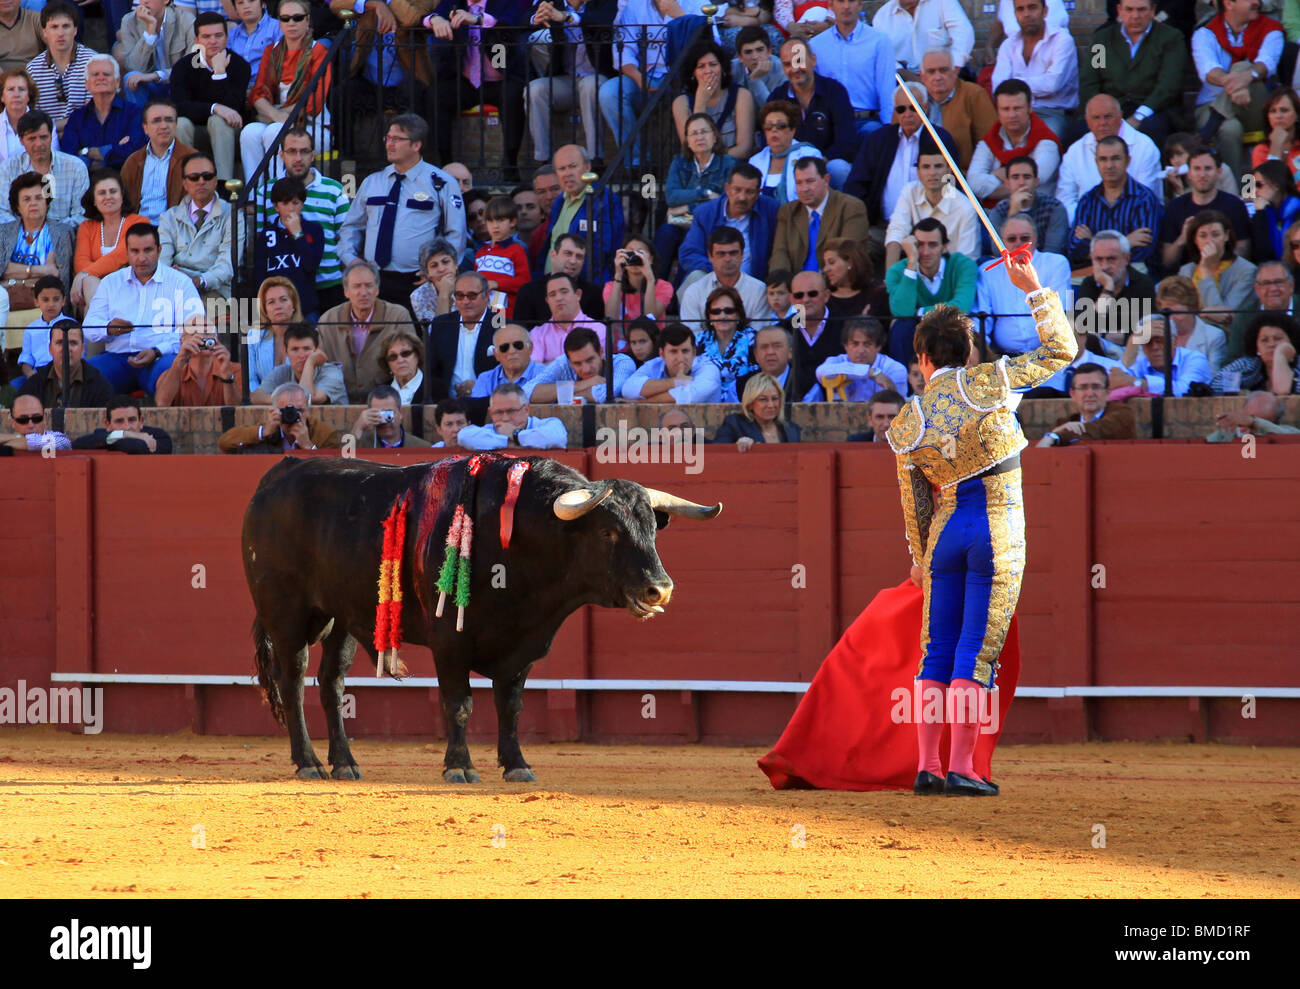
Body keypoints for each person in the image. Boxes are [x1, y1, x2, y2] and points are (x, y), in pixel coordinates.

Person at [886, 253, 1073, 796]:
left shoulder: (908, 422)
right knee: (974, 650)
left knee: (936, 649)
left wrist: (921, 562)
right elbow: (1063, 350)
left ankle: (927, 767)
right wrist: (1033, 287)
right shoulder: (988, 384)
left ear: (922, 359)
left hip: (944, 538)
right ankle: (964, 768)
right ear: (968, 351)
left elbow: (914, 506)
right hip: (995, 532)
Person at [339, 114, 466, 309]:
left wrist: (438, 272)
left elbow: (456, 232)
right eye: (388, 138)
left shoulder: (441, 182)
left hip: (419, 281)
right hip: (376, 280)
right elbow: (351, 227)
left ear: (416, 145)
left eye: (397, 139)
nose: (389, 144)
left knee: (419, 337)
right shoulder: (372, 182)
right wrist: (352, 261)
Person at [597, 0, 711, 167]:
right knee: (610, 93)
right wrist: (638, 78)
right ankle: (637, 162)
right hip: (647, 77)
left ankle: (693, 164)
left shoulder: (698, 3)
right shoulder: (634, 6)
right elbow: (623, 51)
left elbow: (713, 45)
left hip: (688, 78)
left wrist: (679, 16)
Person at [424, 0, 527, 182]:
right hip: (466, 80)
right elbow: (425, 18)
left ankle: (510, 164)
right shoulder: (453, 2)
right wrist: (434, 20)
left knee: (513, 95)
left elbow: (512, 22)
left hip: (501, 77)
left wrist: (478, 19)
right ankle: (445, 165)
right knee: (437, 95)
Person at [253, 127, 349, 313]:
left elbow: (346, 240)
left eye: (304, 151)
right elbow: (260, 241)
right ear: (282, 155)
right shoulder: (265, 192)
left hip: (330, 285)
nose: (298, 158)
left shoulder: (335, 190)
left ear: (313, 155)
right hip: (285, 288)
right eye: (292, 151)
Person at [844, 82, 960, 229]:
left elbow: (951, 185)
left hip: (929, 231)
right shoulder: (877, 140)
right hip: (882, 227)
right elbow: (856, 185)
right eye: (901, 109)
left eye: (913, 108)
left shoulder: (941, 140)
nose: (907, 114)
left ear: (925, 108)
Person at [1078, 0, 1189, 149]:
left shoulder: (1170, 38)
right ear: (1119, 10)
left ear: (1152, 10)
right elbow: (1091, 79)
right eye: (1129, 10)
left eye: (1142, 10)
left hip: (1152, 108)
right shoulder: (1102, 40)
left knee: (1152, 129)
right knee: (1076, 131)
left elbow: (1168, 85)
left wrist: (1139, 116)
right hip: (1112, 106)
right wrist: (1102, 113)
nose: (1135, 16)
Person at [239, 0, 330, 181]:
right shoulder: (271, 51)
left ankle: (281, 193)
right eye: (285, 18)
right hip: (276, 118)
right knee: (249, 133)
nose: (291, 23)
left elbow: (314, 101)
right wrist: (276, 115)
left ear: (307, 21)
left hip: (313, 126)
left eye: (297, 18)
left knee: (276, 131)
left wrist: (281, 116)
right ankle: (254, 198)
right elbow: (257, 94)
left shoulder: (318, 51)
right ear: (279, 22)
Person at [1192, 0, 1283, 177]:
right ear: (1228, 3)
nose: (1257, 2)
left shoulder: (1272, 30)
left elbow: (1267, 63)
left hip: (1254, 106)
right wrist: (1235, 84)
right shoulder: (1206, 33)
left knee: (1242, 68)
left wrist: (1245, 77)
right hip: (1209, 105)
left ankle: (1212, 124)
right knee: (1230, 130)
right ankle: (1239, 193)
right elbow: (1208, 71)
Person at [526, 0, 615, 169]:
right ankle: (544, 160)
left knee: (590, 85)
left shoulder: (603, 4)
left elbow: (605, 19)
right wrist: (537, 17)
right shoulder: (554, 3)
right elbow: (522, 19)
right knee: (534, 89)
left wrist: (568, 17)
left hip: (597, 76)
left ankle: (595, 159)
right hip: (565, 78)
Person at [765, 38, 858, 189]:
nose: (795, 69)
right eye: (788, 64)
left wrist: (817, 163)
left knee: (839, 168)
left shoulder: (834, 91)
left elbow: (847, 142)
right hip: (790, 167)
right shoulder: (777, 97)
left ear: (813, 60)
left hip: (826, 164)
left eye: (799, 60)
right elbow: (767, 140)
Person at [168, 12, 250, 182]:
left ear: (227, 37)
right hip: (195, 131)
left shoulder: (240, 66)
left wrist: (220, 74)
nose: (213, 41)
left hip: (229, 133)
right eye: (206, 36)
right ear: (196, 40)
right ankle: (187, 182)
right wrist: (214, 108)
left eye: (218, 35)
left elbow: (233, 108)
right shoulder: (183, 67)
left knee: (218, 121)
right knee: (181, 123)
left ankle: (224, 185)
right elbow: (180, 106)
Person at [1056, 95, 1163, 224]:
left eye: (1108, 117)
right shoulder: (1075, 152)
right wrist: (1092, 224)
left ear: (1120, 116)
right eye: (1096, 118)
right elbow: (1065, 202)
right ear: (1087, 121)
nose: (1102, 123)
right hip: (1085, 228)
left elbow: (1147, 201)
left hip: (1134, 226)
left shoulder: (1145, 147)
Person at [884, 217, 977, 366]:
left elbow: (961, 306)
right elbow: (901, 312)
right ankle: (905, 387)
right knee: (901, 327)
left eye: (932, 245)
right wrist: (912, 263)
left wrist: (918, 312)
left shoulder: (962, 265)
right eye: (919, 245)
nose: (925, 252)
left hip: (954, 330)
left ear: (944, 247)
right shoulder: (897, 271)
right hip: (916, 333)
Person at [979, 214, 1071, 356]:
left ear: (1035, 238)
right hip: (1002, 356)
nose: (1018, 243)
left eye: (1025, 238)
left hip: (1050, 354)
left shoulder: (1056, 263)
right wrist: (983, 352)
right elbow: (982, 319)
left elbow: (1061, 311)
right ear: (1002, 242)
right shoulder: (987, 271)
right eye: (1011, 239)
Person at [657, 112, 737, 272]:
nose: (699, 137)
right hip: (681, 221)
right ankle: (656, 284)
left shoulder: (728, 164)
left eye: (704, 132)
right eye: (694, 133)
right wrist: (704, 193)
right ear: (687, 141)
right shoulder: (679, 163)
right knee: (665, 232)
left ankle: (681, 288)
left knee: (692, 239)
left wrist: (687, 208)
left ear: (714, 136)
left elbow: (724, 202)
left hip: (711, 223)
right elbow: (672, 197)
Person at [1067, 135, 1163, 267]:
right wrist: (1126, 242)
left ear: (1128, 161)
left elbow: (1143, 251)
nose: (1109, 165)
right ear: (1096, 162)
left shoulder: (1144, 199)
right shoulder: (1087, 201)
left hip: (1133, 274)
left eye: (1115, 158)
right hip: (1092, 274)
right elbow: (1075, 249)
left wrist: (1092, 242)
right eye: (1103, 159)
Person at [990, 0, 1077, 142]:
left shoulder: (1062, 40)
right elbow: (998, 87)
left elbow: (1052, 85)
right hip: (1014, 112)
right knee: (992, 143)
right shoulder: (1008, 45)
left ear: (1045, 11)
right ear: (1015, 14)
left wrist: (1013, 84)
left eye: (1032, 8)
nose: (1026, 14)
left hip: (1051, 113)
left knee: (1045, 144)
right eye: (1020, 9)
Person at [884, 137, 979, 266]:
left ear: (948, 171)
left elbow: (967, 261)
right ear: (918, 172)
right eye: (926, 167)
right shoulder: (909, 191)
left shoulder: (965, 208)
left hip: (949, 276)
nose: (932, 173)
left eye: (938, 166)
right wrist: (890, 279)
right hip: (915, 268)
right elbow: (896, 232)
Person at [678, 163, 779, 284]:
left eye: (750, 192)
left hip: (753, 284)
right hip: (713, 279)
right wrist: (720, 273)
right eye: (737, 190)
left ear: (758, 193)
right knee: (696, 276)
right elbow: (690, 253)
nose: (742, 197)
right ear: (727, 188)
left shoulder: (771, 209)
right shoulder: (705, 213)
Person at [1157, 144, 1252, 272]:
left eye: (1208, 168)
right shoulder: (1175, 207)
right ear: (1189, 173)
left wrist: (1217, 262)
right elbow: (1167, 261)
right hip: (1187, 276)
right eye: (1197, 169)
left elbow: (1244, 249)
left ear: (1218, 172)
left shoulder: (1234, 205)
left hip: (1226, 272)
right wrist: (1183, 238)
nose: (1202, 174)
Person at [807, 0, 895, 136]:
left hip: (867, 121)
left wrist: (889, 129)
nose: (846, 6)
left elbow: (886, 90)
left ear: (860, 4)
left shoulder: (879, 41)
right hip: (831, 124)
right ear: (831, 5)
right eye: (841, 1)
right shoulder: (815, 46)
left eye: (851, 1)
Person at [768, 156, 869, 275]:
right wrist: (783, 285)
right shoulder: (788, 212)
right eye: (799, 183)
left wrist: (818, 287)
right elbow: (780, 254)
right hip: (796, 288)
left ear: (826, 180)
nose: (804, 189)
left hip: (835, 285)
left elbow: (848, 258)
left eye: (810, 181)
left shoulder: (850, 207)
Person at [968, 78, 1062, 204]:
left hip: (1038, 214)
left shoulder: (1047, 142)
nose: (1012, 115)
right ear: (998, 111)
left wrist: (998, 174)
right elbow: (974, 184)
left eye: (1017, 108)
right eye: (1005, 109)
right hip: (996, 215)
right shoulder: (989, 142)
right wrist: (1022, 180)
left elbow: (1039, 177)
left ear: (1030, 108)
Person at [541, 143, 623, 282]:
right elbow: (550, 245)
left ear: (587, 167)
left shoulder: (603, 200)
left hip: (583, 287)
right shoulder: (560, 201)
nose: (567, 173)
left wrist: (571, 283)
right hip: (551, 286)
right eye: (561, 169)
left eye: (573, 166)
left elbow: (601, 251)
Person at [157, 151, 233, 300]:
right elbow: (162, 263)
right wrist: (181, 281)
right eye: (194, 177)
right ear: (184, 184)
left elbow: (227, 266)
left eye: (207, 176)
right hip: (176, 289)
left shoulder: (232, 215)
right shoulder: (169, 217)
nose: (201, 181)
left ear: (216, 180)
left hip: (218, 291)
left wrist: (199, 281)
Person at [670, 38, 756, 160]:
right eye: (701, 67)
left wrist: (712, 162)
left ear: (722, 69)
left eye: (713, 65)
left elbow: (744, 148)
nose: (708, 71)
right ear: (693, 73)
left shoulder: (741, 95)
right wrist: (700, 103)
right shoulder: (681, 103)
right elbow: (692, 149)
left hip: (733, 168)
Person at [0, 109, 88, 224]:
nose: (39, 144)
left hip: (65, 237)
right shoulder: (7, 168)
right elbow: (3, 212)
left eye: (43, 137)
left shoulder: (75, 167)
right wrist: (26, 233)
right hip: (21, 237)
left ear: (51, 136)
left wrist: (52, 232)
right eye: (32, 138)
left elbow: (80, 214)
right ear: (21, 140)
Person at [253, 175, 324, 318]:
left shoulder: (314, 230)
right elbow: (260, 275)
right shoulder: (266, 235)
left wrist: (298, 234)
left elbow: (310, 265)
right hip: (274, 309)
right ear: (275, 206)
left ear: (302, 204)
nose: (291, 208)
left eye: (295, 203)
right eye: (285, 203)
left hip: (305, 306)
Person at [60, 56, 146, 173]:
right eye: (95, 74)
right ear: (87, 84)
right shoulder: (77, 117)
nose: (101, 78)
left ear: (117, 83)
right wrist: (114, 149)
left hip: (124, 183)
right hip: (87, 186)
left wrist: (86, 152)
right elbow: (69, 158)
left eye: (106, 74)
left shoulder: (134, 113)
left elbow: (135, 153)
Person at [0, 170, 76, 303]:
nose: (33, 203)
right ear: (17, 206)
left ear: (47, 202)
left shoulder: (63, 233)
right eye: (26, 199)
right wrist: (43, 270)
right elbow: (2, 270)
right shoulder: (3, 233)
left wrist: (14, 271)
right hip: (9, 303)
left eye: (39, 198)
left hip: (51, 306)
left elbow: (60, 276)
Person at [679, 226, 774, 331]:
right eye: (721, 254)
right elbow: (692, 336)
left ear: (742, 254)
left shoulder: (759, 291)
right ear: (710, 256)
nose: (728, 259)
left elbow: (759, 335)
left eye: (733, 253)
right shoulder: (694, 292)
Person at [916, 47, 996, 170]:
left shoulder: (974, 95)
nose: (937, 77)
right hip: (919, 175)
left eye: (943, 70)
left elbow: (989, 145)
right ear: (922, 76)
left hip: (962, 175)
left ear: (955, 71)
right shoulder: (912, 98)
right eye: (931, 72)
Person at [1177, 209, 1257, 331]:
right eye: (1203, 236)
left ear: (1226, 236)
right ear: (1195, 240)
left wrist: (1206, 270)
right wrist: (1203, 313)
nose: (1210, 241)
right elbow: (1179, 313)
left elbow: (1222, 318)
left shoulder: (1247, 271)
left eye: (1216, 234)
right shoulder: (1186, 271)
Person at [119, 99, 195, 225]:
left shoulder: (192, 159)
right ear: (145, 128)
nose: (164, 126)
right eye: (156, 121)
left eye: (169, 120)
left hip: (176, 229)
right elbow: (123, 204)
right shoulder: (133, 161)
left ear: (176, 125)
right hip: (137, 230)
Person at [113, 0, 197, 110]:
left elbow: (190, 67)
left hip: (177, 84)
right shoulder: (129, 21)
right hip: (148, 85)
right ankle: (138, 124)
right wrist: (149, 31)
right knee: (130, 77)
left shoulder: (186, 20)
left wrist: (156, 75)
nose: (145, 1)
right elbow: (133, 67)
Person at [25, 2, 94, 134]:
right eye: (54, 27)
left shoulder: (92, 62)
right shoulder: (33, 69)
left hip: (84, 137)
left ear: (75, 30)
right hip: (46, 141)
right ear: (44, 32)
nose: (60, 33)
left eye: (66, 26)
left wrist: (54, 127)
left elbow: (92, 115)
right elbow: (33, 120)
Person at [217, 381, 343, 453]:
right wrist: (263, 432)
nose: (291, 415)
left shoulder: (325, 434)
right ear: (274, 411)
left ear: (307, 412)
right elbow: (224, 442)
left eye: (298, 410)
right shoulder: (271, 427)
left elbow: (334, 469)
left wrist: (309, 446)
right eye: (284, 410)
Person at [428, 270, 497, 399]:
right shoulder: (441, 324)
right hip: (447, 404)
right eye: (459, 296)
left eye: (472, 295)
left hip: (488, 403)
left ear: (487, 296)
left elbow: (508, 374)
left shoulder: (501, 325)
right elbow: (432, 371)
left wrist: (479, 387)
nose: (465, 301)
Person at [17, 319, 114, 409]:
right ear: (50, 349)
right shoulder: (33, 385)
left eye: (73, 343)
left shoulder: (100, 386)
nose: (66, 348)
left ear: (82, 349)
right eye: (60, 343)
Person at [984, 154, 1069, 257]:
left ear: (1036, 182)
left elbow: (1053, 252)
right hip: (1010, 267)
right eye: (1015, 178)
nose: (1021, 183)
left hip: (1043, 267)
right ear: (1007, 183)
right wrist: (1013, 212)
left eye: (1027, 177)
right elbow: (999, 252)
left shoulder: (1054, 208)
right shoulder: (999, 211)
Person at [1035, 362, 1137, 446]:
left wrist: (1055, 435)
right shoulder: (1063, 423)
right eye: (1083, 387)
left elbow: (1099, 430)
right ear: (1073, 394)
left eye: (1096, 387)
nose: (1090, 394)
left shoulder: (1123, 415)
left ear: (1107, 393)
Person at [526, 325, 633, 403]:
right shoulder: (563, 363)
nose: (586, 369)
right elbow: (527, 392)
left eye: (590, 360)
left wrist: (558, 395)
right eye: (577, 363)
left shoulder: (622, 362)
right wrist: (584, 384)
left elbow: (606, 395)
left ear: (601, 352)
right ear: (570, 362)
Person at [513, 232, 599, 329]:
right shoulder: (528, 291)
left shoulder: (594, 294)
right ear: (553, 255)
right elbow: (521, 334)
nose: (573, 261)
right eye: (568, 254)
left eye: (579, 257)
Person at [620, 322, 723, 403]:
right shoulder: (654, 364)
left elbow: (689, 396)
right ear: (662, 354)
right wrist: (676, 382)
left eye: (685, 351)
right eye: (673, 351)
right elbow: (628, 389)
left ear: (694, 352)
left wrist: (641, 402)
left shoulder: (708, 368)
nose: (680, 358)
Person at [810, 317, 908, 401]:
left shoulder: (895, 369)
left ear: (878, 346)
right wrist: (871, 372)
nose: (861, 350)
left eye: (867, 344)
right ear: (846, 346)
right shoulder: (837, 361)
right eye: (855, 344)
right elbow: (820, 371)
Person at [250, 320, 345, 406]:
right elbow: (255, 397)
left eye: (306, 349)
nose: (301, 355)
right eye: (295, 349)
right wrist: (283, 400)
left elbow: (307, 399)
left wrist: (310, 363)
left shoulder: (333, 372)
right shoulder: (282, 371)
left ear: (317, 350)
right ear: (285, 351)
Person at [153, 315, 242, 406]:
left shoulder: (235, 370)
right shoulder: (172, 375)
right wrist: (179, 360)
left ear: (216, 339)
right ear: (182, 341)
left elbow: (238, 411)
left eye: (207, 333)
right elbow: (162, 404)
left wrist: (226, 375)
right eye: (194, 333)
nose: (201, 337)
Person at [872, 0, 974, 79]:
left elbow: (963, 32)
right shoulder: (882, 17)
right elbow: (882, 55)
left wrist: (953, 67)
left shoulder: (942, 2)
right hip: (905, 80)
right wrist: (906, 75)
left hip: (946, 73)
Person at [748, 99, 822, 205]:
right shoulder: (755, 161)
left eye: (780, 126)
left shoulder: (810, 155)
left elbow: (814, 196)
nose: (774, 130)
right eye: (768, 127)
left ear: (793, 130)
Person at [1149, 274, 1228, 372]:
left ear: (1192, 308)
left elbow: (1213, 376)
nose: (1171, 319)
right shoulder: (1151, 330)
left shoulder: (1213, 336)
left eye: (1177, 312)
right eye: (1167, 312)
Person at [455, 382, 567, 450]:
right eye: (498, 412)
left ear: (526, 409)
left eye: (512, 411)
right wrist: (509, 442)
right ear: (490, 412)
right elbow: (464, 436)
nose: (505, 418)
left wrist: (515, 434)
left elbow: (557, 438)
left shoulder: (549, 424)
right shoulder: (488, 430)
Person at [1227, 259, 1300, 360]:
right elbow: (1232, 360)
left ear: (1291, 285)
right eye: (1266, 283)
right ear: (1257, 289)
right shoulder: (1244, 316)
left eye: (1278, 282)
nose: (1273, 288)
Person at [1212, 312, 1300, 394]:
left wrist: (1280, 357)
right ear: (1256, 346)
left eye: (1278, 338)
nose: (1271, 344)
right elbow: (1216, 384)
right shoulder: (1249, 364)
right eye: (1264, 340)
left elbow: (1282, 390)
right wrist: (1238, 393)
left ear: (1292, 342)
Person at [1127, 313, 1215, 395]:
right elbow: (1117, 379)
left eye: (1160, 340)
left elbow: (1185, 390)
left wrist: (1140, 383)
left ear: (1175, 341)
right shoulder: (1140, 360)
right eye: (1148, 342)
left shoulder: (1195, 359)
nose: (1155, 347)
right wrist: (1132, 342)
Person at [474, 196, 530, 320]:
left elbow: (524, 282)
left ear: (513, 222)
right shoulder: (480, 252)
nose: (495, 226)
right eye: (490, 220)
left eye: (500, 220)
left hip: (502, 303)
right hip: (480, 305)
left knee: (497, 332)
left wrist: (496, 284)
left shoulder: (516, 250)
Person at [530, 271, 605, 363]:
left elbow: (597, 367)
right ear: (547, 300)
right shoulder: (537, 334)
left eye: (564, 292)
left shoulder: (598, 329)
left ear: (578, 295)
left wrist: (549, 365)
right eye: (552, 294)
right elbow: (536, 372)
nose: (558, 298)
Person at [245, 276, 302, 394]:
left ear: (294, 305)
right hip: (263, 404)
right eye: (271, 302)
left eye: (283, 300)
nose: (278, 306)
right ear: (265, 310)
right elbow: (251, 379)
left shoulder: (309, 335)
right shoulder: (254, 336)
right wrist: (263, 400)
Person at [712, 372, 800, 448]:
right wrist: (736, 447)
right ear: (750, 403)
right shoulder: (734, 424)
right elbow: (718, 453)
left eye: (775, 399)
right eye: (763, 399)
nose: (770, 405)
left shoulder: (791, 429)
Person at [605, 236, 671, 327]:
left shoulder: (664, 287)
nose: (635, 257)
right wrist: (618, 275)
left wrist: (650, 279)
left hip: (651, 340)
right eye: (630, 253)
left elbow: (651, 318)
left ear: (651, 259)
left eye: (640, 253)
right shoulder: (611, 286)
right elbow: (611, 318)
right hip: (621, 340)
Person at [71, 395, 174, 453]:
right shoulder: (102, 437)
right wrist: (125, 434)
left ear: (141, 421)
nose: (127, 427)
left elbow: (135, 447)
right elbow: (76, 445)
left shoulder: (159, 437)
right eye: (119, 421)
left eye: (132, 420)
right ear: (108, 425)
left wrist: (116, 438)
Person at [12, 273, 64, 383]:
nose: (51, 304)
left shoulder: (70, 326)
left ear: (63, 301)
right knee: (14, 386)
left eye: (56, 299)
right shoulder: (31, 329)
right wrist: (30, 374)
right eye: (45, 300)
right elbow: (26, 358)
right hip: (36, 374)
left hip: (63, 374)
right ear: (36, 302)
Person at [822, 237, 889, 319]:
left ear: (850, 262)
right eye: (825, 264)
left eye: (831, 262)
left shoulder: (877, 292)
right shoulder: (819, 297)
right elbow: (802, 326)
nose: (825, 269)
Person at [472, 322, 545, 397]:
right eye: (504, 347)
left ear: (530, 348)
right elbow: (478, 407)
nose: (511, 351)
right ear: (496, 354)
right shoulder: (485, 380)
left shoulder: (547, 376)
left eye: (518, 345)